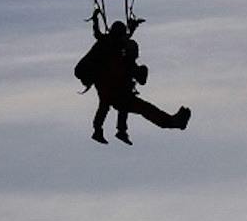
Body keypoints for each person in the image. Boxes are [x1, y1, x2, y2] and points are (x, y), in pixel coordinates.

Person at [76, 10, 191, 145]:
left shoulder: (118, 52)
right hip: (114, 93)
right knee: (138, 107)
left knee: (140, 107)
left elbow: (117, 39)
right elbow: (107, 39)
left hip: (117, 94)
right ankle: (112, 130)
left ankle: (120, 130)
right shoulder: (114, 55)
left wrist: (132, 27)